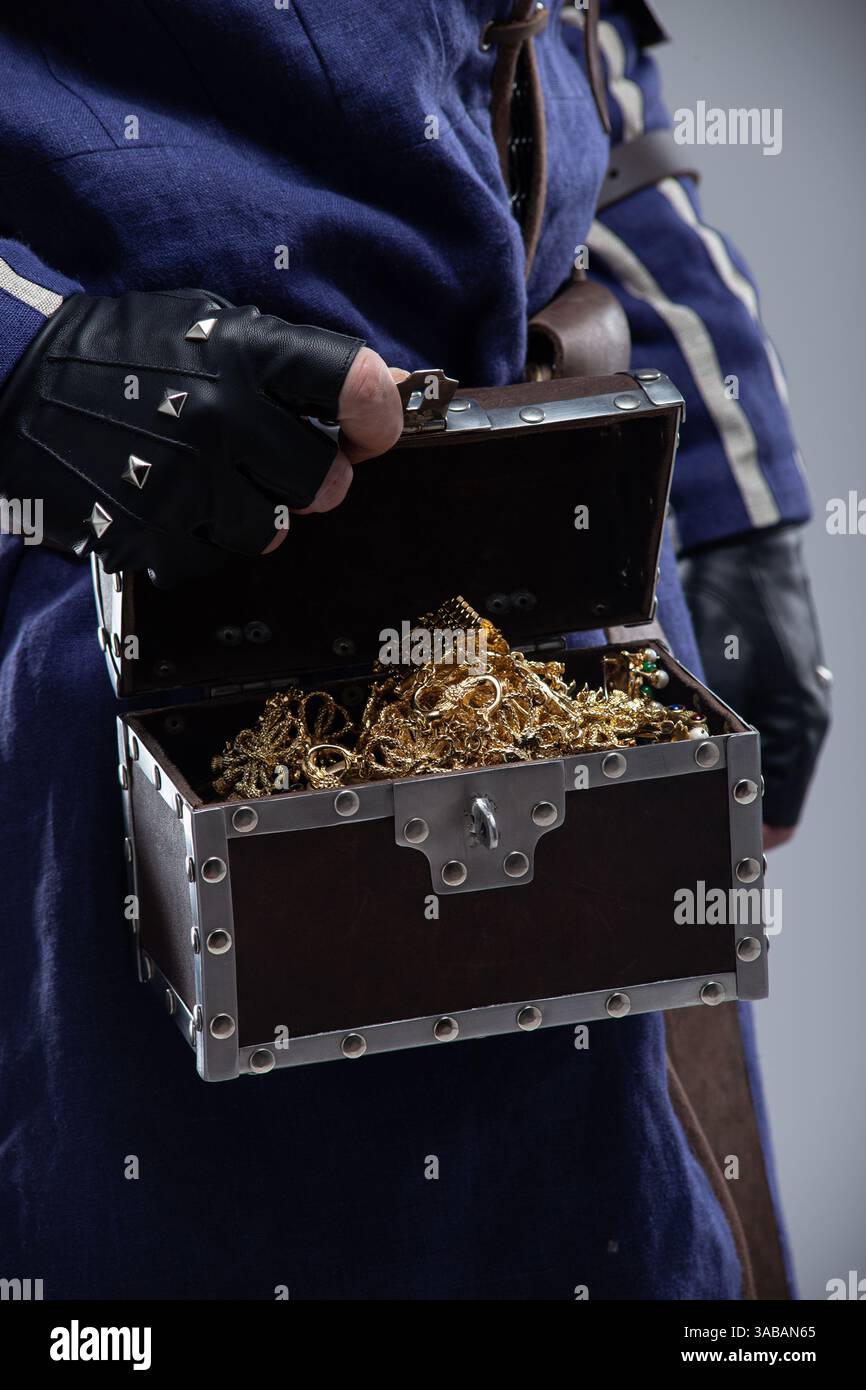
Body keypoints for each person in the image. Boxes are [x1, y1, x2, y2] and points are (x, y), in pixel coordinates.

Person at [0, 0, 829, 1299]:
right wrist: (26, 361)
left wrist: (737, 484)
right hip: (145, 593)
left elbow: (582, 52)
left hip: (571, 581)